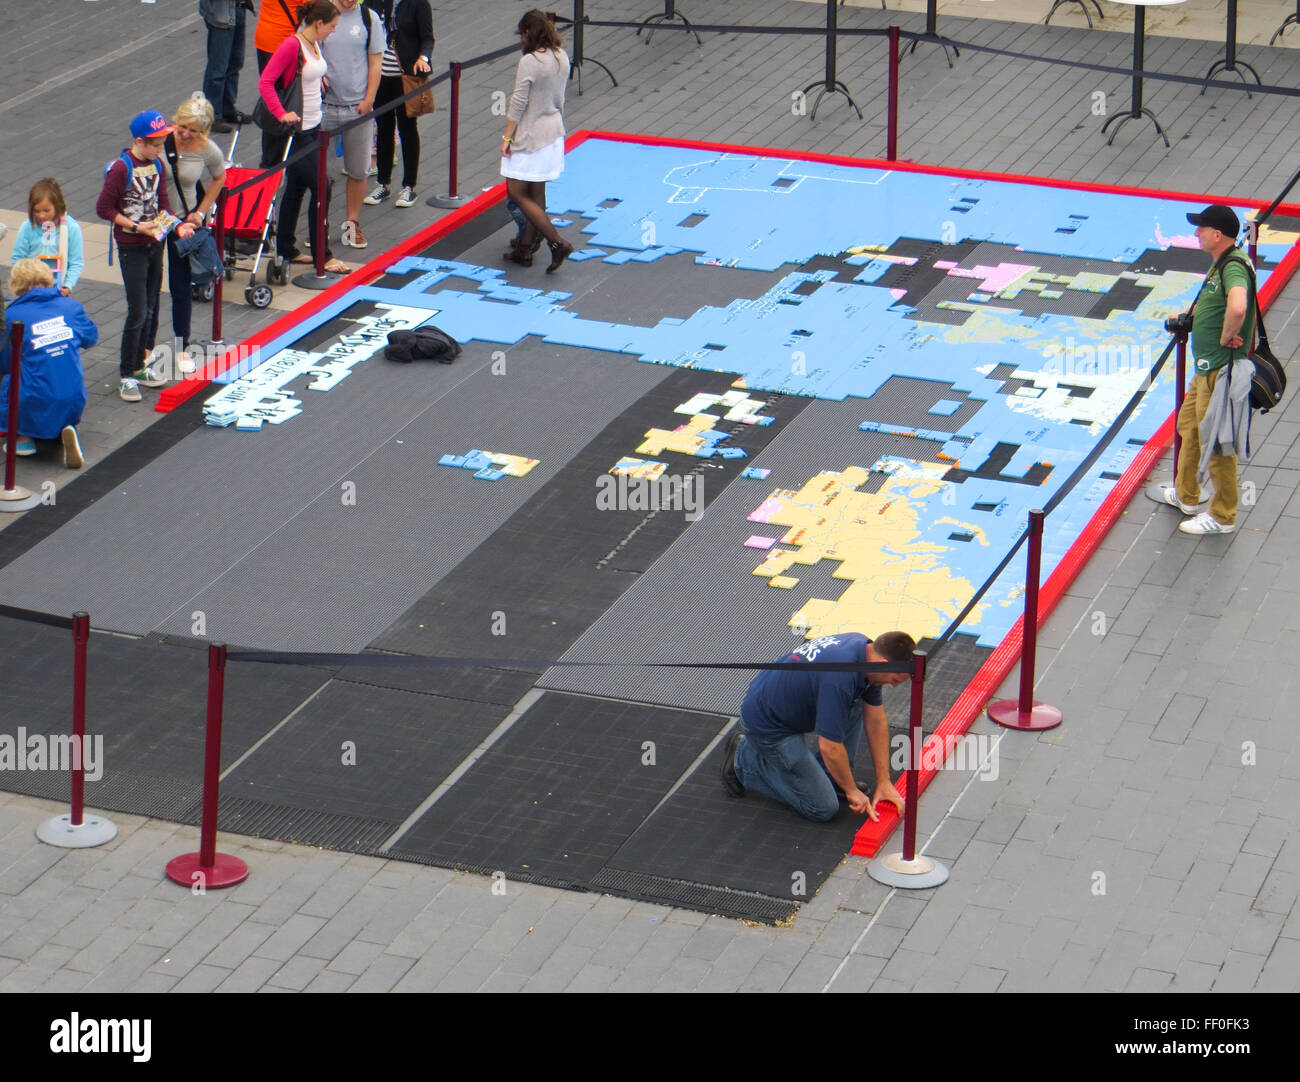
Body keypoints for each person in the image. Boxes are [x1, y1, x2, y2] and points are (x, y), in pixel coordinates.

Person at [721, 631, 916, 823]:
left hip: (785, 702)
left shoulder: (864, 652)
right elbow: (829, 746)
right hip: (769, 726)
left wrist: (884, 781)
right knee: (822, 807)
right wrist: (851, 790)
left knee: (856, 700)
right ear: (883, 665)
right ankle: (743, 757)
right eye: (895, 680)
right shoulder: (841, 676)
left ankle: (832, 775)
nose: (895, 686)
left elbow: (876, 720)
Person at [1159, 204, 1257, 537]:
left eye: (1200, 228)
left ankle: (1223, 515)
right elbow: (1215, 301)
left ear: (1218, 234)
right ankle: (1187, 495)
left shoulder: (1234, 267)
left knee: (1217, 442)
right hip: (1207, 369)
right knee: (1189, 426)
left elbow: (1239, 304)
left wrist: (1228, 335)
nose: (1195, 233)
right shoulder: (1222, 262)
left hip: (1221, 370)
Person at [95, 110, 196, 403]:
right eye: (155, 143)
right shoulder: (120, 169)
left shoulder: (158, 166)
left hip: (155, 243)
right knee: (138, 310)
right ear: (139, 141)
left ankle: (139, 366)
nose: (160, 148)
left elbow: (163, 205)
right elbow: (104, 209)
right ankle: (127, 373)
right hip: (132, 245)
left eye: (163, 141)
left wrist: (177, 226)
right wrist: (138, 226)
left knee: (151, 307)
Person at [258, 0, 349, 275]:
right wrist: (281, 112)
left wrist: (317, 80)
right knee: (323, 187)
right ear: (318, 24)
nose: (334, 31)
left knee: (297, 188)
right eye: (332, 26)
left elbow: (309, 72)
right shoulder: (291, 45)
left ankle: (286, 246)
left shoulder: (314, 44)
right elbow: (265, 82)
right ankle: (324, 254)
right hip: (296, 131)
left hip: (313, 126)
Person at [0, 260, 98, 469]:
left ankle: (23, 439)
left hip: (35, 399)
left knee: (10, 378)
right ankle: (64, 428)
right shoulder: (70, 306)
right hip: (74, 397)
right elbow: (91, 338)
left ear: (16, 284)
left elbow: (6, 362)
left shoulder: (12, 316)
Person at [154, 95, 227, 375]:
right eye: (181, 126)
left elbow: (219, 178)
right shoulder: (163, 138)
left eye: (192, 131)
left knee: (180, 287)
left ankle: (181, 346)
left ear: (204, 131)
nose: (184, 133)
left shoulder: (209, 150)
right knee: (149, 284)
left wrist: (201, 211)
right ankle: (146, 348)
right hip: (158, 217)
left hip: (182, 223)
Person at [499, 9, 572, 274]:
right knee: (537, 194)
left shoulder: (530, 61)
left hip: (530, 135)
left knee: (517, 193)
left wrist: (507, 137)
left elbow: (518, 102)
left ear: (529, 33)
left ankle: (556, 241)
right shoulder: (561, 56)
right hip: (553, 133)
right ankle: (525, 249)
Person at [321, 0, 385, 250]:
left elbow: (375, 62)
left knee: (359, 171)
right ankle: (320, 224)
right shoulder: (322, 13)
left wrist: (369, 99)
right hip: (325, 108)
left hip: (358, 108)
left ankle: (352, 223)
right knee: (320, 174)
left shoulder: (369, 19)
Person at [364, 0, 434, 210]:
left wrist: (423, 57)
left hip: (405, 77)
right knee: (384, 128)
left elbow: (428, 38)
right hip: (380, 77)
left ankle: (409, 186)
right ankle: (383, 183)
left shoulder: (418, 3)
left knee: (407, 129)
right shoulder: (374, 2)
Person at [10, 179, 85, 295]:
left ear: (58, 205)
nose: (42, 215)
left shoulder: (71, 228)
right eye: (36, 211)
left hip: (59, 290)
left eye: (46, 210)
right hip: (31, 289)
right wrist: (23, 282)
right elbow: (18, 257)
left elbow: (76, 262)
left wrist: (68, 285)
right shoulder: (28, 227)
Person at [254, 0, 302, 165]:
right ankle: (275, 159)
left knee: (272, 99)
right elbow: (313, 11)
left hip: (265, 38)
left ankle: (270, 159)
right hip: (283, 43)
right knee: (284, 99)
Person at [200, 0, 251, 134]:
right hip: (221, 13)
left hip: (238, 8)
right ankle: (212, 116)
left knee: (235, 63)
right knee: (218, 68)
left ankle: (227, 109)